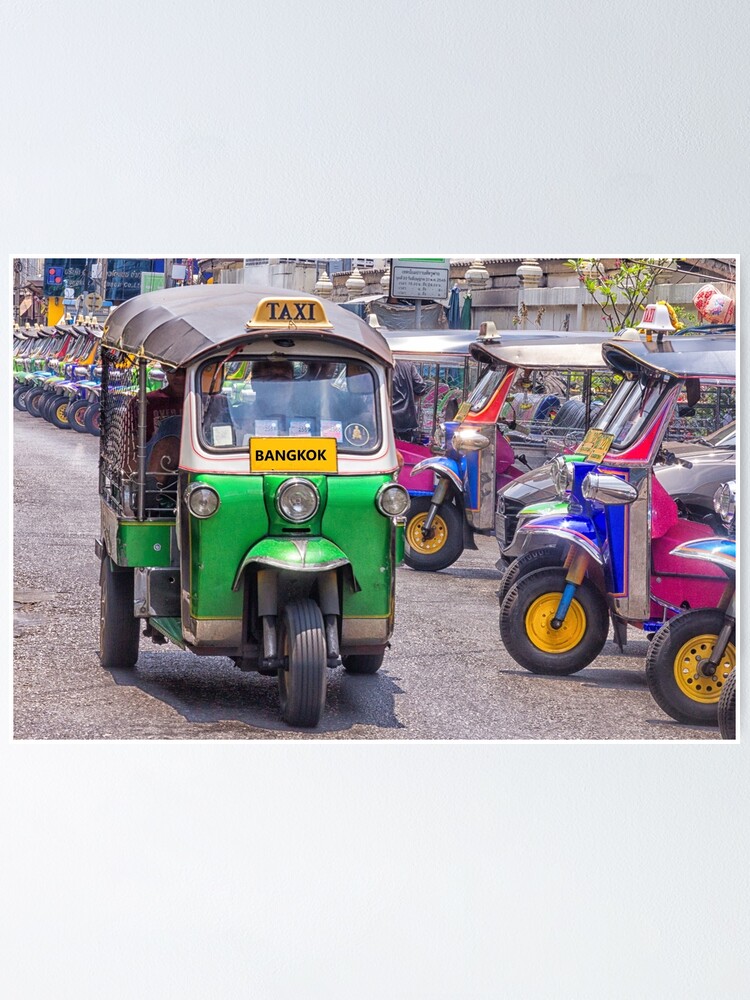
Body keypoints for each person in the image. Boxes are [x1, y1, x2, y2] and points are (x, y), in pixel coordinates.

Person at [391, 359, 428, 443]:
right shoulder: (407, 365)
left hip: (383, 421)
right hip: (405, 420)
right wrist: (411, 400)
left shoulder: (378, 361)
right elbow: (421, 388)